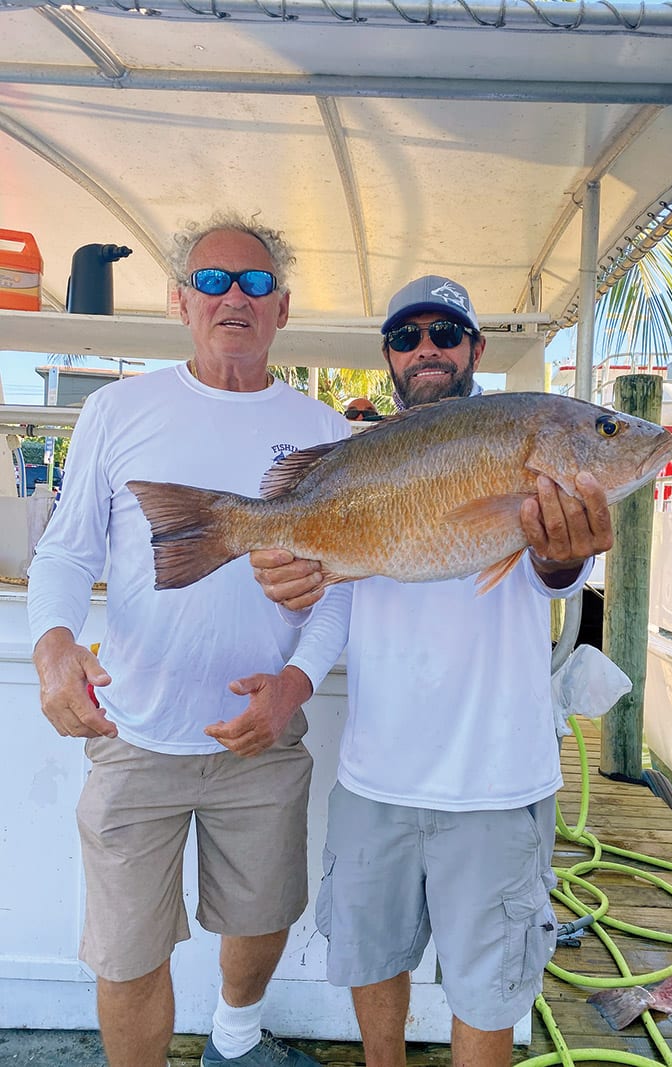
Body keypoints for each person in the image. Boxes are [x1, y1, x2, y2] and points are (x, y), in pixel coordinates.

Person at [250, 275, 614, 1067]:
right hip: (375, 777)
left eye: (446, 333)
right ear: (388, 353)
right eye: (408, 335)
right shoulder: (360, 453)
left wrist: (562, 552)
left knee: (488, 990)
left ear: (475, 349)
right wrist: (290, 601)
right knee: (374, 961)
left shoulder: (526, 447)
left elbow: (555, 573)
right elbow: (330, 601)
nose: (426, 350)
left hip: (496, 785)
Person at [27, 213, 349, 1067]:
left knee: (263, 912)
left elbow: (335, 588)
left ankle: (235, 1037)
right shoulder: (117, 408)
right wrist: (54, 642)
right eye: (211, 281)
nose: (232, 297)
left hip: (265, 735)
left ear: (282, 307)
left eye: (253, 283)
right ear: (179, 300)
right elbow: (65, 550)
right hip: (132, 729)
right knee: (127, 948)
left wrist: (295, 686)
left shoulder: (325, 427)